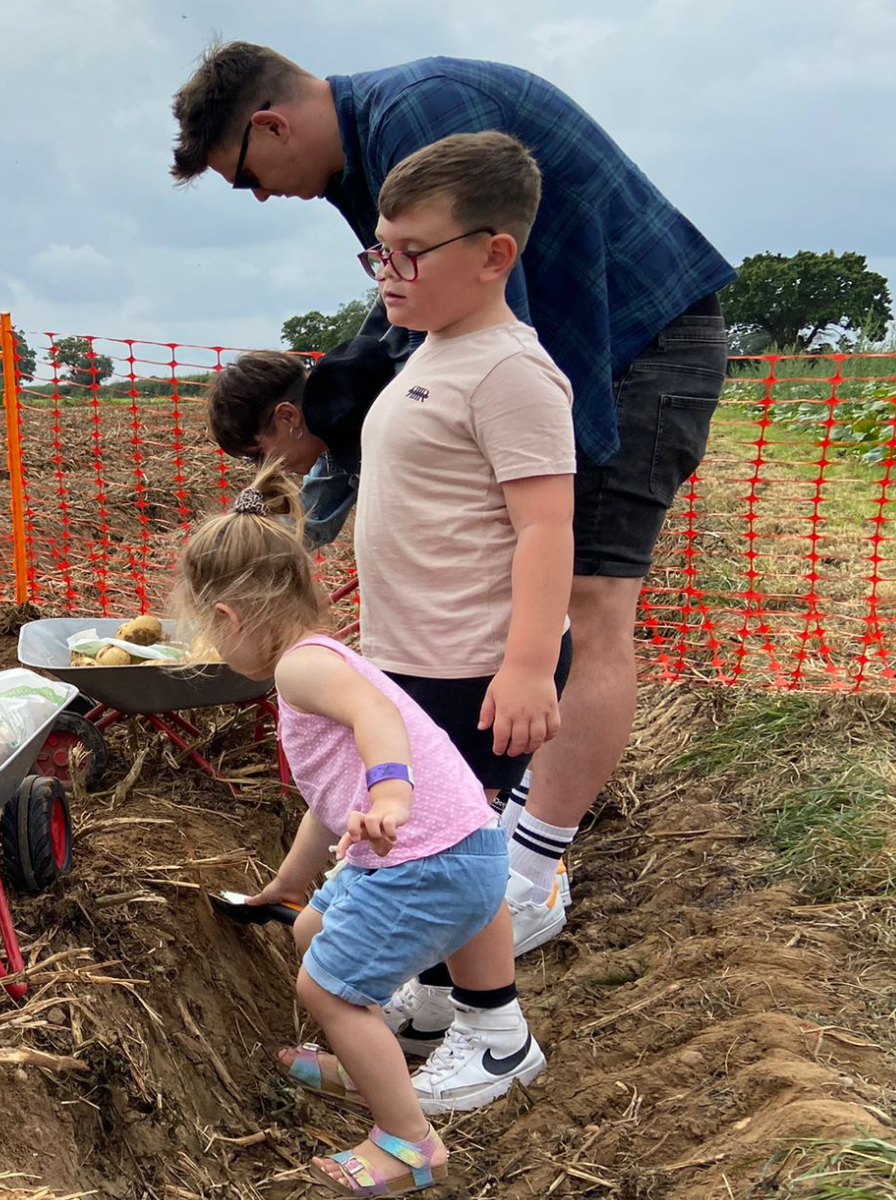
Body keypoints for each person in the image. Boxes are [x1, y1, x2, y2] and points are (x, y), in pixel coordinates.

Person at [171, 44, 736, 951]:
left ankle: (526, 873)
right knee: (528, 609)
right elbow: (396, 360)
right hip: (570, 359)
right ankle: (469, 845)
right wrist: (317, 500)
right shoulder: (377, 151)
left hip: (635, 349)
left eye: (247, 178)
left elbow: (478, 358)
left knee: (587, 607)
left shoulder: (422, 124)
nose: (265, 195)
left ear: (269, 126)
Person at [175, 461, 539, 1195]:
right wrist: (286, 881)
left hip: (423, 858)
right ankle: (362, 1064)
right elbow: (328, 798)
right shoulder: (328, 656)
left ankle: (410, 1146)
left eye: (211, 640)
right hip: (456, 847)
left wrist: (393, 797)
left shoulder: (297, 672)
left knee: (326, 989)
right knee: (313, 932)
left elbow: (378, 727)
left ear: (229, 620)